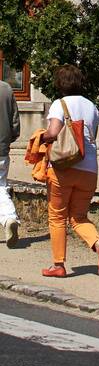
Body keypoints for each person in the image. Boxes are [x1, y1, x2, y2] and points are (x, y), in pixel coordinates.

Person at [41, 65, 99, 279]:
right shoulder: (91, 106)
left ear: (59, 84)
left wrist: (41, 138)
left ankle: (58, 264)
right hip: (90, 168)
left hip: (64, 167)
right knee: (79, 216)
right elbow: (93, 136)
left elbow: (54, 132)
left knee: (57, 216)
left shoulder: (59, 104)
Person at [0, 77, 21, 246]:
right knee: (0, 187)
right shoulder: (6, 88)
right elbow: (15, 124)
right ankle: (9, 219)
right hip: (1, 150)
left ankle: (9, 219)